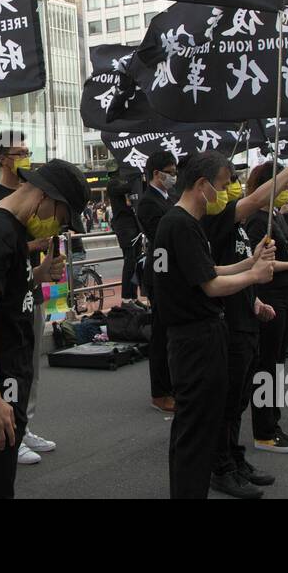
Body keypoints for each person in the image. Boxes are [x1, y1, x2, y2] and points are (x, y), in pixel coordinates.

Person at [0, 160, 86, 498]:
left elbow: (7, 290)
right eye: (62, 216)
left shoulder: (13, 229)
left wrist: (39, 275)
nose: (59, 225)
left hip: (10, 381)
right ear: (44, 197)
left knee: (0, 482)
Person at [155, 151, 274, 499]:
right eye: (224, 185)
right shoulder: (180, 223)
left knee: (200, 426)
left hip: (198, 336)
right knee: (196, 429)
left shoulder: (184, 223)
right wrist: (254, 273)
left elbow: (209, 271)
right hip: (194, 338)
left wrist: (248, 263)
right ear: (203, 184)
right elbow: (211, 286)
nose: (227, 192)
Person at [203, 148, 288, 494]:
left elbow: (245, 268)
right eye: (227, 182)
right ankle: (220, 467)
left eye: (235, 180)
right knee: (227, 401)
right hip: (228, 326)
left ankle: (234, 459)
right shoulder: (219, 219)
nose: (233, 188)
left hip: (247, 316)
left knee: (239, 399)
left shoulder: (238, 226)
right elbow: (254, 200)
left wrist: (255, 299)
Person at [0, 130, 56, 464]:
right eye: (18, 151)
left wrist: (46, 258)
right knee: (8, 364)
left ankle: (23, 425)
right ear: (1, 158)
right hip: (6, 300)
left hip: (31, 289)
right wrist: (31, 247)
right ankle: (8, 429)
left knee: (30, 366)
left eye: (27, 150)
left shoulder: (32, 192)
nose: (25, 156)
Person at [244, 163, 288, 456]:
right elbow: (261, 263)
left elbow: (281, 253)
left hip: (285, 292)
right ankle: (264, 430)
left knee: (277, 364)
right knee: (266, 366)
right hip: (269, 295)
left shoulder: (276, 216)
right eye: (286, 183)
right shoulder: (257, 220)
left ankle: (273, 423)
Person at [137, 151, 178, 414]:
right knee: (161, 336)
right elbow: (162, 235)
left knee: (171, 334)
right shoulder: (147, 202)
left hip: (172, 273)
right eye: (170, 172)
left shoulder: (168, 198)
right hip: (159, 276)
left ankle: (172, 386)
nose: (174, 177)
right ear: (156, 173)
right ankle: (160, 393)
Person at [106, 170, 142, 303]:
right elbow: (125, 188)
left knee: (136, 262)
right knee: (130, 261)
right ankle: (127, 298)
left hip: (133, 226)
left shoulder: (123, 182)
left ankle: (133, 297)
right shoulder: (113, 184)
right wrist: (136, 176)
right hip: (125, 228)